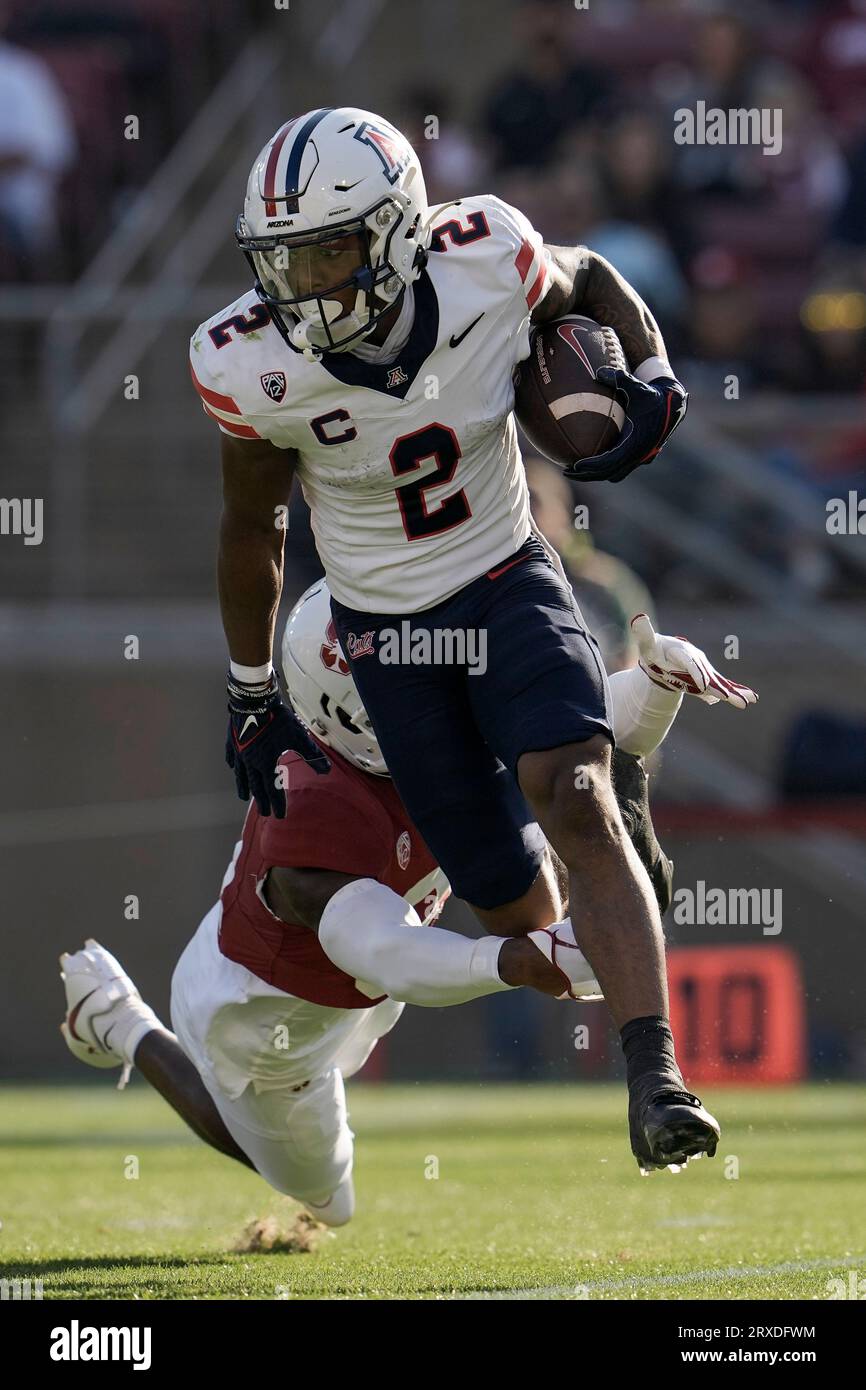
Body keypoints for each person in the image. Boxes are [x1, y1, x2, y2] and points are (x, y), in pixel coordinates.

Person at [190, 105, 721, 1171]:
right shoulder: (252, 360)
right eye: (281, 264)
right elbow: (255, 526)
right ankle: (610, 796)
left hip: (505, 577)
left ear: (393, 230)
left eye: (327, 254)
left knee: (571, 792)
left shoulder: (481, 253)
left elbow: (590, 279)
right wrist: (251, 688)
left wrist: (653, 378)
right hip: (385, 634)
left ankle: (655, 1077)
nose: (300, 288)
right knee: (513, 907)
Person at [59, 583, 756, 1221]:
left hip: (364, 979)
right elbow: (383, 951)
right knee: (327, 1198)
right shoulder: (314, 809)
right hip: (265, 1019)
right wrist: (510, 961)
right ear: (356, 711)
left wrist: (660, 686)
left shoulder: (401, 727)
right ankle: (122, 1022)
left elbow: (585, 721)